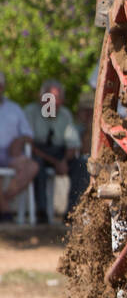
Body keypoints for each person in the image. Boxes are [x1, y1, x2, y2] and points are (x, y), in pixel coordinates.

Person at [24, 78, 90, 222]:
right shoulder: (30, 112)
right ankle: (41, 212)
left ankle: (72, 212)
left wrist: (64, 161)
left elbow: (72, 143)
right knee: (37, 166)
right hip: (39, 153)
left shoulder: (65, 115)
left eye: (58, 98)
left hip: (60, 153)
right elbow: (30, 144)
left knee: (81, 166)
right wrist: (57, 162)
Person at [0, 70, 39, 220]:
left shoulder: (14, 109)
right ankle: (5, 210)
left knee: (32, 167)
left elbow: (29, 135)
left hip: (10, 154)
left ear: (2, 87)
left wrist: (20, 140)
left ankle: (3, 200)